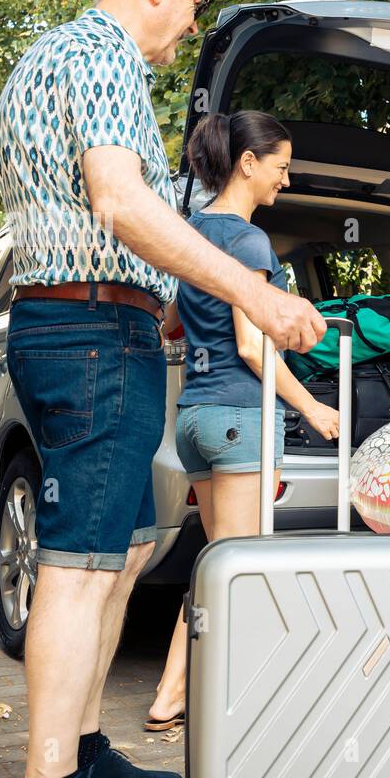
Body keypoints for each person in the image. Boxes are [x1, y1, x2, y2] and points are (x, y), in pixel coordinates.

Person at [0, 0, 325, 778]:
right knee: (80, 563)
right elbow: (121, 200)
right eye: (196, 2)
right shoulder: (100, 55)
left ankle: (85, 747)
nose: (190, 26)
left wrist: (167, 308)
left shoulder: (59, 57)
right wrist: (253, 296)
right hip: (89, 334)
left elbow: (104, 218)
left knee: (127, 552)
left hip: (105, 328)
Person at [145, 111, 342, 731]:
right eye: (281, 167)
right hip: (237, 417)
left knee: (220, 561)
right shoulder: (250, 241)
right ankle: (179, 694)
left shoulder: (193, 233)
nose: (285, 180)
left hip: (196, 418)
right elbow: (255, 346)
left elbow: (170, 322)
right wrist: (311, 406)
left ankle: (192, 688)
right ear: (248, 163)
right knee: (234, 569)